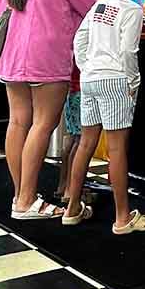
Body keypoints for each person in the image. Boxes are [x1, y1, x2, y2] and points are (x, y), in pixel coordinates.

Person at [0, 0, 98, 219]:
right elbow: (94, 8)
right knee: (42, 124)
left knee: (17, 123)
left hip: (12, 55)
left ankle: (22, 196)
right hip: (47, 57)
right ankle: (26, 201)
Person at [64, 0, 145, 235]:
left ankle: (72, 209)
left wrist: (87, 67)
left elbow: (79, 40)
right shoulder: (132, 10)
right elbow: (128, 51)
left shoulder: (98, 6)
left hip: (90, 79)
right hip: (115, 81)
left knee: (85, 144)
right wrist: (133, 82)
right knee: (116, 149)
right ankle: (122, 218)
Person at [54, 62, 82, 204]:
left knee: (72, 138)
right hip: (81, 92)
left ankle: (63, 185)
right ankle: (70, 190)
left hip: (71, 91)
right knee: (80, 142)